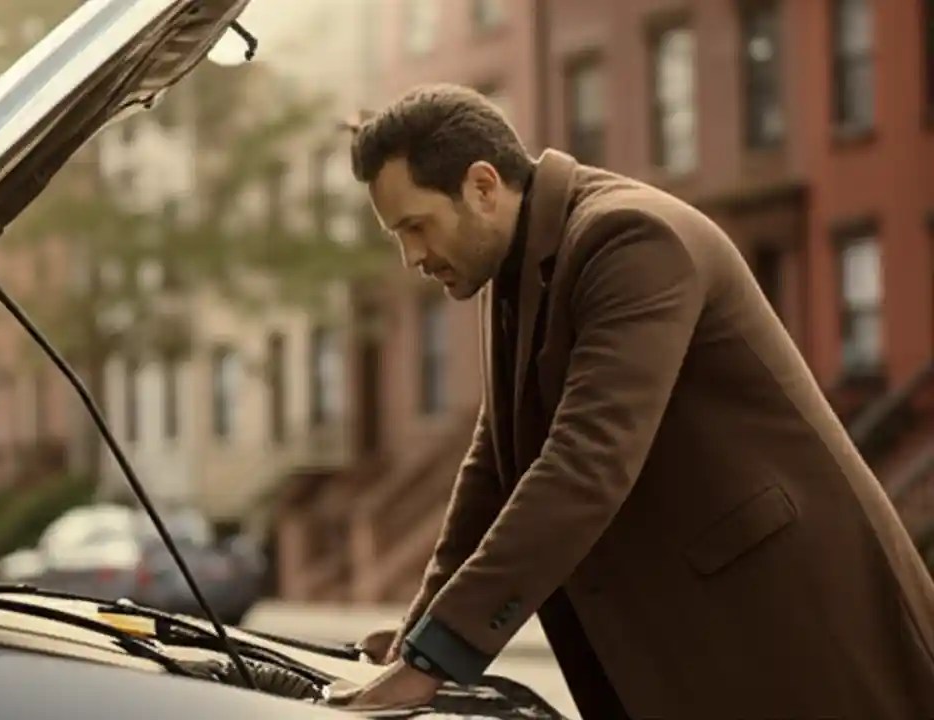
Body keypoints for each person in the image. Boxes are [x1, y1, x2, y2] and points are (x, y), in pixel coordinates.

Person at [327, 84, 934, 718]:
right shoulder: (510, 272)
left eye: (416, 226)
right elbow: (494, 471)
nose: (412, 257)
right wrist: (419, 641)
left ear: (482, 187)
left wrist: (434, 659)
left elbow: (586, 463)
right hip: (704, 645)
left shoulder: (631, 239)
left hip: (801, 638)